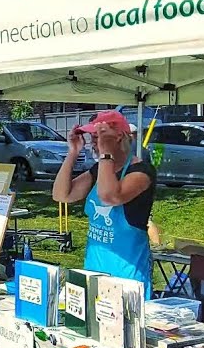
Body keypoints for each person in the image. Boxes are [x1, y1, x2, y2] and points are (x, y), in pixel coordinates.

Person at [53, 110, 157, 298]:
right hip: (94, 272)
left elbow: (110, 197)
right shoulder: (98, 170)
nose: (94, 142)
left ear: (118, 137)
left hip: (127, 279)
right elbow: (62, 194)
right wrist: (73, 153)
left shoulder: (142, 172)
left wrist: (106, 154)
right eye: (92, 137)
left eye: (98, 137)